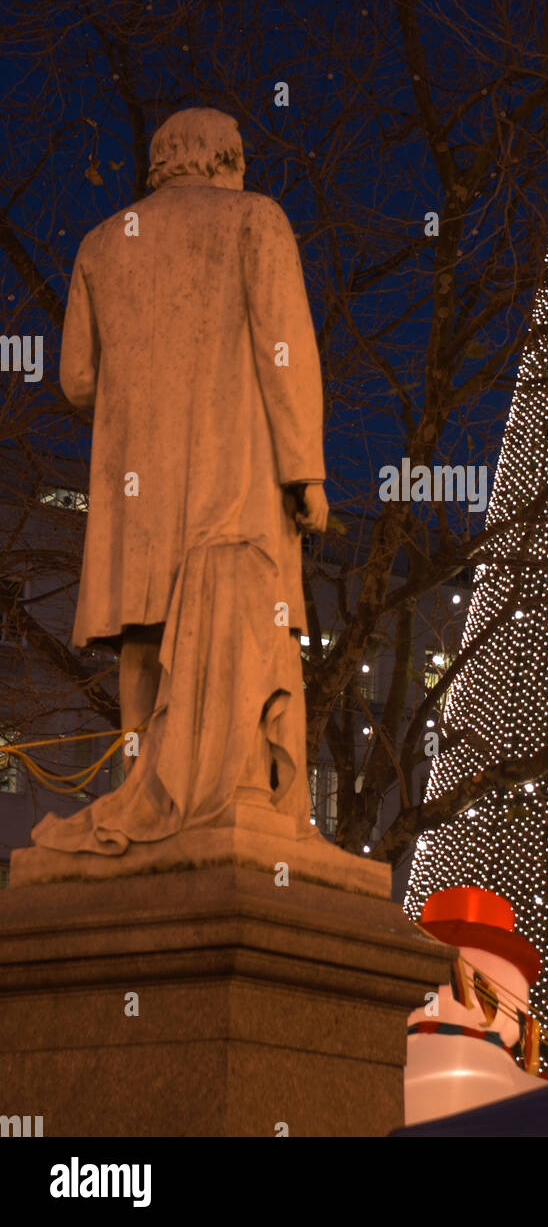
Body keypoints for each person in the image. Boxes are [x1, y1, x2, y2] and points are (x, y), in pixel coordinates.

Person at [32, 107, 328, 855]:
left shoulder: (102, 245)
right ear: (225, 159)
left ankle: (148, 794)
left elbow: (75, 378)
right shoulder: (255, 221)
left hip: (139, 493)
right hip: (234, 484)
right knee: (243, 624)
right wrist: (306, 473)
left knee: (146, 640)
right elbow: (284, 354)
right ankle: (237, 798)